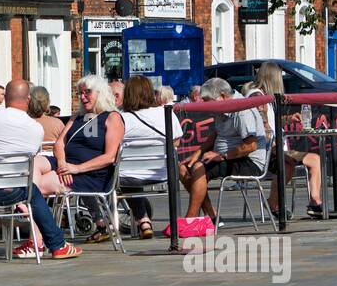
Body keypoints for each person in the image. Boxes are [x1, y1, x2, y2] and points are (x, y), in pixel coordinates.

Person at [0, 79, 80, 263]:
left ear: (6, 98)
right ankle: (57, 245)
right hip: (14, 192)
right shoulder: (36, 129)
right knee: (33, 193)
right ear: (28, 99)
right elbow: (32, 156)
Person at [178, 77, 268, 223]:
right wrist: (198, 153)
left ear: (223, 96)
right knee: (183, 168)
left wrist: (222, 155)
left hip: (248, 161)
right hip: (228, 156)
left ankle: (191, 220)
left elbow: (251, 146)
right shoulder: (223, 107)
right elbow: (216, 133)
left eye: (208, 101)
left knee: (198, 168)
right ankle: (213, 216)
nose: (206, 106)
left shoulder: (241, 110)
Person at [243, 62, 324, 220]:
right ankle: (281, 203)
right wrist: (277, 144)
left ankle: (313, 201)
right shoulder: (257, 97)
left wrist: (287, 119)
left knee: (310, 160)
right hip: (267, 149)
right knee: (296, 162)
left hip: (273, 146)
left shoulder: (263, 96)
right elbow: (263, 127)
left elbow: (270, 123)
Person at [54, 75, 125, 244]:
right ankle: (43, 233)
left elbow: (110, 156)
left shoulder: (111, 117)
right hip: (68, 169)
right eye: (80, 93)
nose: (82, 96)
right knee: (36, 170)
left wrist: (76, 168)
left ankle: (46, 237)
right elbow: (58, 143)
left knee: (41, 184)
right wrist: (63, 164)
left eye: (87, 92)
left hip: (93, 175)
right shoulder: (77, 117)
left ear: (100, 93)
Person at [117, 76, 182, 239]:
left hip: (128, 176)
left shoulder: (120, 118)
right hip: (163, 173)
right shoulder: (166, 113)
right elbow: (176, 142)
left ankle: (143, 220)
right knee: (132, 173)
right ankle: (174, 224)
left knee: (123, 174)